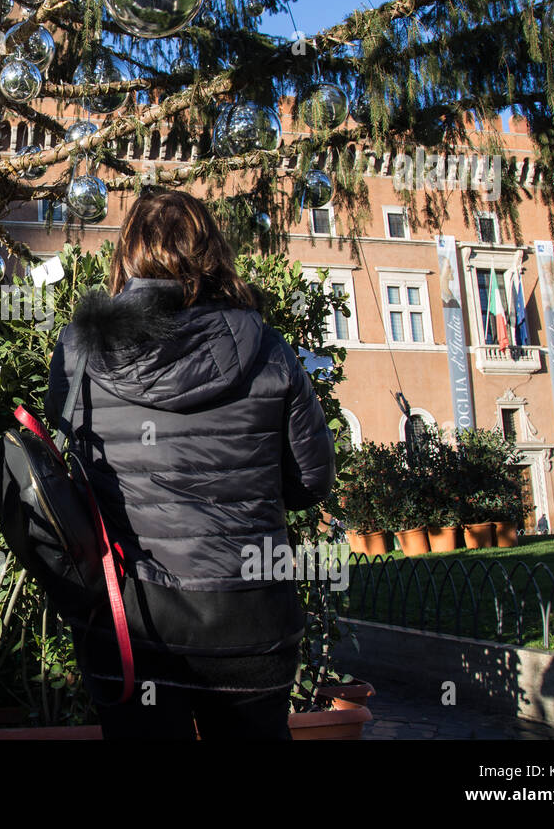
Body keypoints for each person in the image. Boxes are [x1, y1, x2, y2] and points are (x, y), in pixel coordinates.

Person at [45, 190, 336, 740]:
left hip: (134, 618)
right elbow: (313, 480)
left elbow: (71, 466)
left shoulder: (79, 347)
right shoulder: (266, 346)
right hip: (249, 616)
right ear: (212, 253)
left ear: (126, 257)